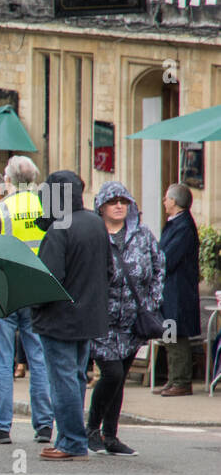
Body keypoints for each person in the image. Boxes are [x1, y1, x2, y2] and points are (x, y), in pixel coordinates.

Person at [32, 171, 111, 461]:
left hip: (59, 319)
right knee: (76, 377)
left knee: (63, 379)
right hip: (89, 317)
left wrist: (34, 307)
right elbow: (109, 272)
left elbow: (48, 281)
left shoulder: (59, 229)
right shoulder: (95, 223)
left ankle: (71, 442)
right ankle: (70, 437)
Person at [0, 156, 54, 445]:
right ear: (34, 179)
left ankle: (0, 426)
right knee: (38, 360)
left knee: (1, 361)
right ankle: (45, 425)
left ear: (7, 180)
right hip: (37, 290)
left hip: (6, 291)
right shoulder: (46, 208)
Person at [86, 181, 164, 457]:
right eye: (113, 201)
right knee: (112, 373)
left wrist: (152, 302)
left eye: (124, 201)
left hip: (133, 322)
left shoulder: (142, 235)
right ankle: (91, 429)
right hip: (101, 320)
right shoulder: (94, 234)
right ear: (101, 206)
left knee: (120, 380)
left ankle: (111, 435)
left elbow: (158, 268)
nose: (119, 205)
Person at [157, 183, 200, 396]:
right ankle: (173, 378)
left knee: (176, 334)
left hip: (178, 289)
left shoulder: (183, 226)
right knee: (169, 333)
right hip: (171, 288)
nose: (164, 202)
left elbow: (168, 257)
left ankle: (181, 381)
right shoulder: (176, 223)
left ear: (174, 201)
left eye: (167, 198)